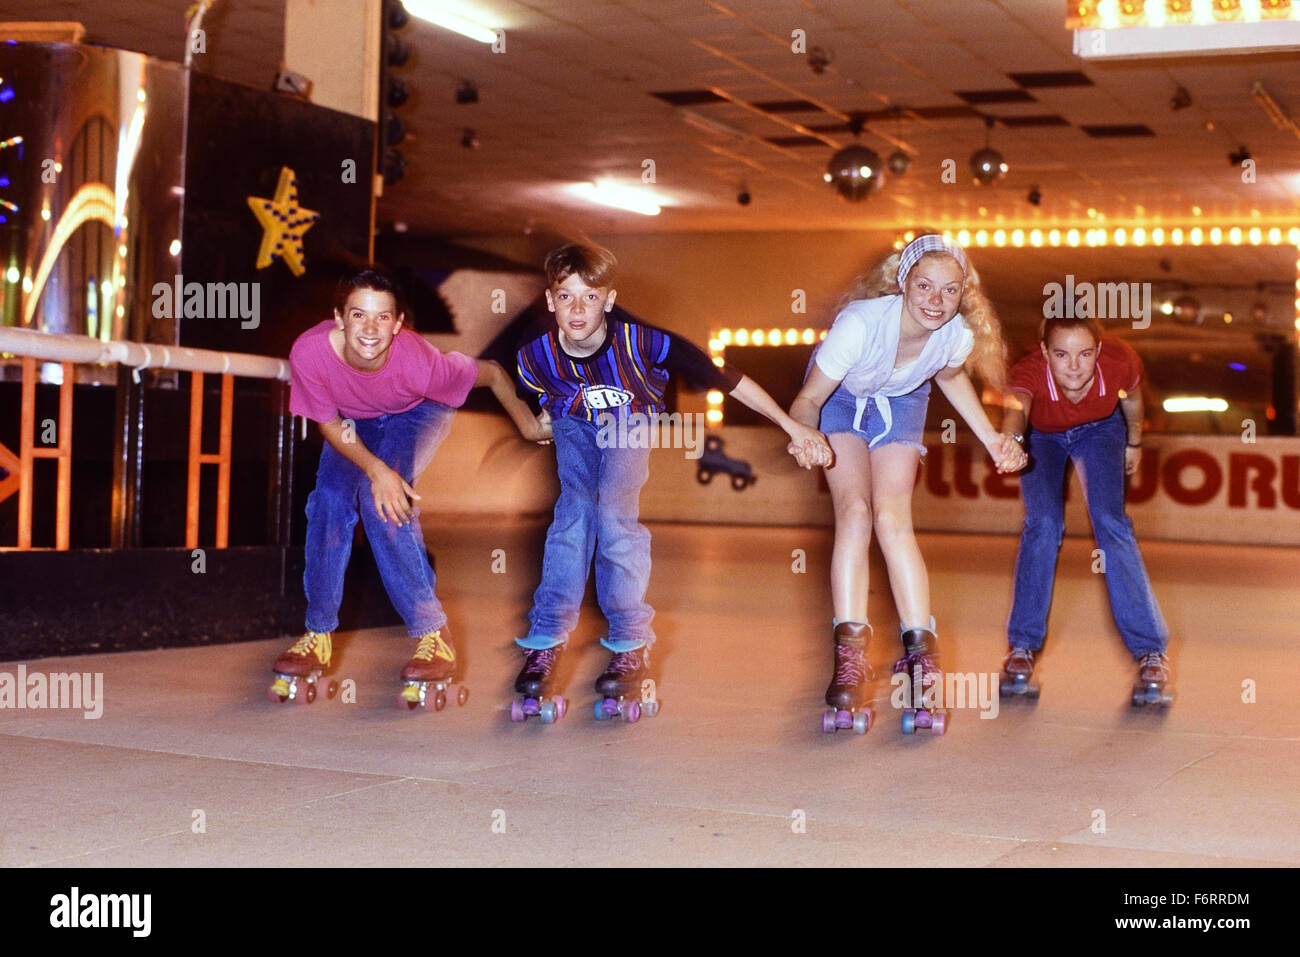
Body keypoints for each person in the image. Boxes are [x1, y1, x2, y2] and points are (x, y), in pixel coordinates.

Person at [511, 241, 831, 718]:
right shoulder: (533, 358)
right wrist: (531, 421)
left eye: (590, 297)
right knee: (574, 511)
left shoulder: (646, 342)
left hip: (632, 419)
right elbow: (520, 390)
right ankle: (546, 639)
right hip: (575, 424)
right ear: (550, 299)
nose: (578, 309)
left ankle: (629, 642)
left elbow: (727, 377)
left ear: (610, 299)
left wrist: (791, 424)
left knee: (614, 515)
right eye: (566, 296)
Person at [268, 264, 551, 705]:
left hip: (417, 412)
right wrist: (376, 469)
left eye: (383, 317)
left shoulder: (421, 366)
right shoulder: (310, 354)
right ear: (339, 317)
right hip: (353, 425)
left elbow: (493, 372)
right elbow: (327, 423)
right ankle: (318, 632)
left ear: (398, 324)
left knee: (386, 505)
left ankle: (432, 634)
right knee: (327, 502)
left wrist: (530, 425)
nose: (370, 328)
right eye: (359, 315)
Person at [788, 234, 1024, 734]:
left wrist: (991, 439)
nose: (936, 301)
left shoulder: (954, 334)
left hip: (903, 397)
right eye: (925, 286)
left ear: (964, 294)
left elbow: (950, 377)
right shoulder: (859, 324)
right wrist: (802, 434)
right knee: (855, 513)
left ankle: (921, 661)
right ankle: (849, 659)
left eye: (949, 290)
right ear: (902, 283)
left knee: (894, 519)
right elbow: (809, 398)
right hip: (838, 397)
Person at [1000, 314, 1172, 706]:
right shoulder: (1028, 372)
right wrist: (1012, 439)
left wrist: (1134, 444)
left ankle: (1150, 653)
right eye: (1061, 354)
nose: (1074, 366)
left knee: (1112, 523)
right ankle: (1022, 649)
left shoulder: (1119, 361)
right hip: (1042, 437)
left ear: (1098, 350)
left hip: (1101, 430)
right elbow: (1016, 406)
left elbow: (1132, 400)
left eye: (1085, 354)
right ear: (1044, 352)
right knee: (1043, 524)